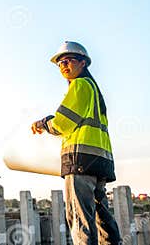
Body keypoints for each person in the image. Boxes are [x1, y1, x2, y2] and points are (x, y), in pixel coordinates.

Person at [31, 41, 121, 245]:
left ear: (83, 63)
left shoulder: (80, 85)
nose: (63, 65)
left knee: (80, 218)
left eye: (68, 60)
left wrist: (44, 123)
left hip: (80, 161)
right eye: (60, 63)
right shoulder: (93, 90)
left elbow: (62, 123)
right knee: (101, 216)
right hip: (99, 163)